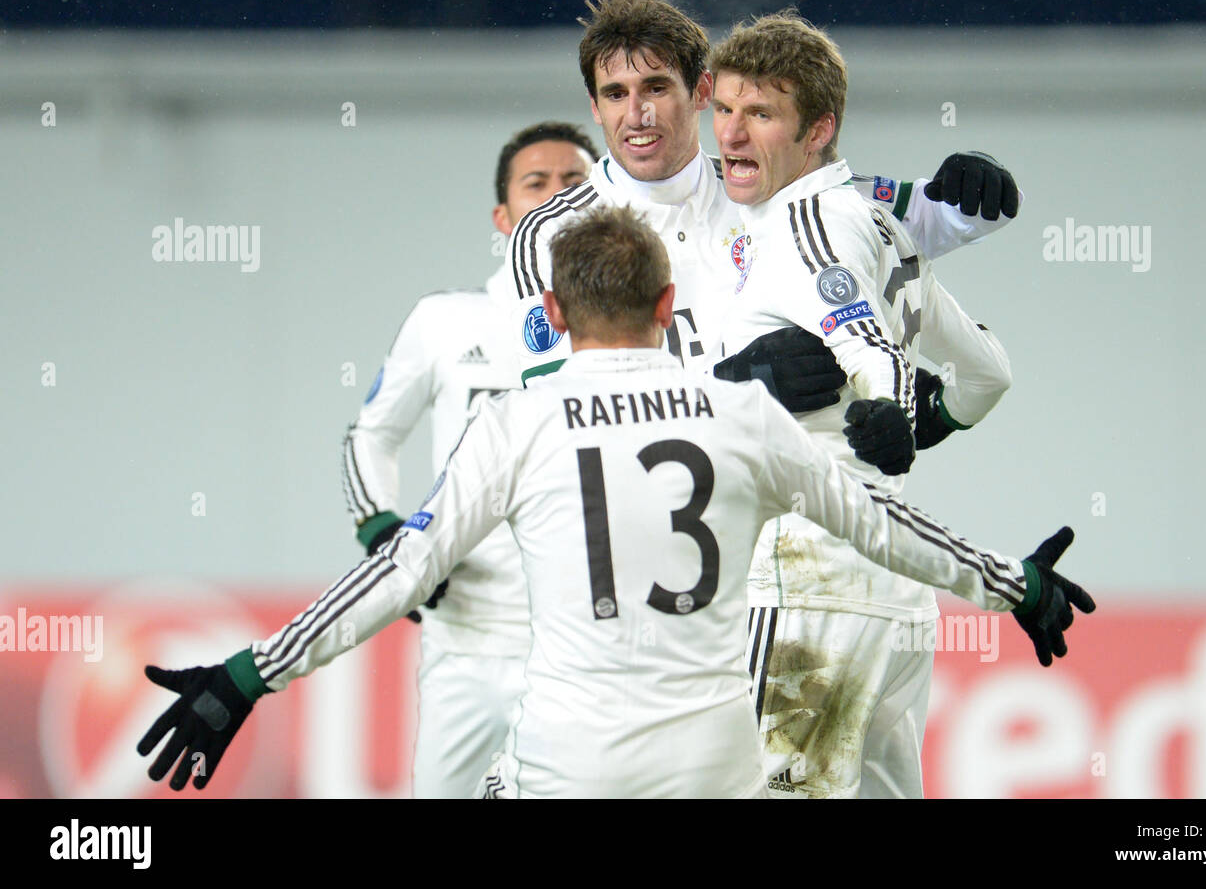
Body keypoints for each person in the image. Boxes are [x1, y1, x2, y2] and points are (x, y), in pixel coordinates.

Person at [137, 205, 1092, 798]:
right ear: (670, 304)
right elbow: (883, 522)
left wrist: (247, 676)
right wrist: (1018, 586)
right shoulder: (744, 415)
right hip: (714, 764)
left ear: (550, 316)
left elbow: (402, 570)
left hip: (569, 762)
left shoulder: (517, 420)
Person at [709, 12, 1032, 799]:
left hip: (806, 574)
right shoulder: (882, 224)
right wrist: (934, 419)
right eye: (722, 109)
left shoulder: (807, 223)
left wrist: (890, 413)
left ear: (817, 128)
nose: (732, 133)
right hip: (894, 588)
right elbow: (989, 372)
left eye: (761, 113)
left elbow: (865, 349)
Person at [506, 0, 1022, 395]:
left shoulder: (766, 182)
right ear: (595, 108)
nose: (636, 114)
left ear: (702, 90)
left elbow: (921, 218)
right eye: (615, 94)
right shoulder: (547, 233)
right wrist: (729, 385)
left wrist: (976, 183)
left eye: (657, 88)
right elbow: (557, 403)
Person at [340, 121, 597, 797]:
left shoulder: (635, 328)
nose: (554, 199)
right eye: (535, 183)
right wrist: (384, 533)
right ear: (502, 215)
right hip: (468, 639)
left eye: (575, 183)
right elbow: (370, 434)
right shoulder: (446, 320)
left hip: (589, 645)